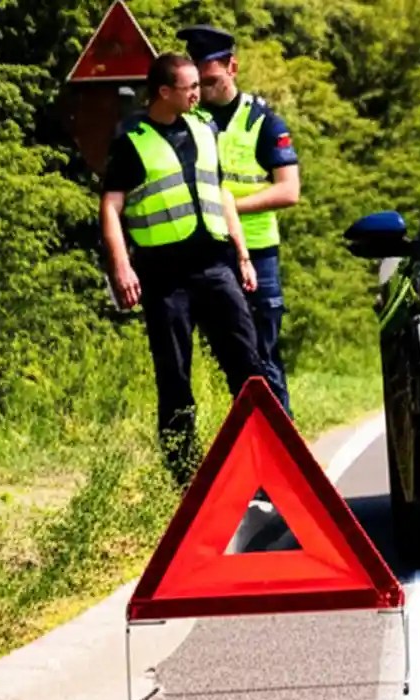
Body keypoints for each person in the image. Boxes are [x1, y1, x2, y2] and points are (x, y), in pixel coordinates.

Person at [99, 51, 269, 484]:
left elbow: (221, 193)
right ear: (164, 92)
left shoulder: (205, 127)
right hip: (164, 278)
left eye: (199, 85)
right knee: (175, 380)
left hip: (215, 268)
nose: (199, 92)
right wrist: (122, 267)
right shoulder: (131, 139)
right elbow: (111, 205)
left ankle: (261, 464)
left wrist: (243, 254)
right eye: (190, 87)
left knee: (249, 368)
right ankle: (186, 480)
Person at [176, 24, 300, 419]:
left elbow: (288, 191)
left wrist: (228, 207)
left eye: (211, 81)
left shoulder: (264, 122)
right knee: (231, 360)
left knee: (264, 357)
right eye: (199, 82)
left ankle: (285, 452)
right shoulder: (189, 122)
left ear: (233, 67)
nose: (206, 91)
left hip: (258, 254)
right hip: (208, 255)